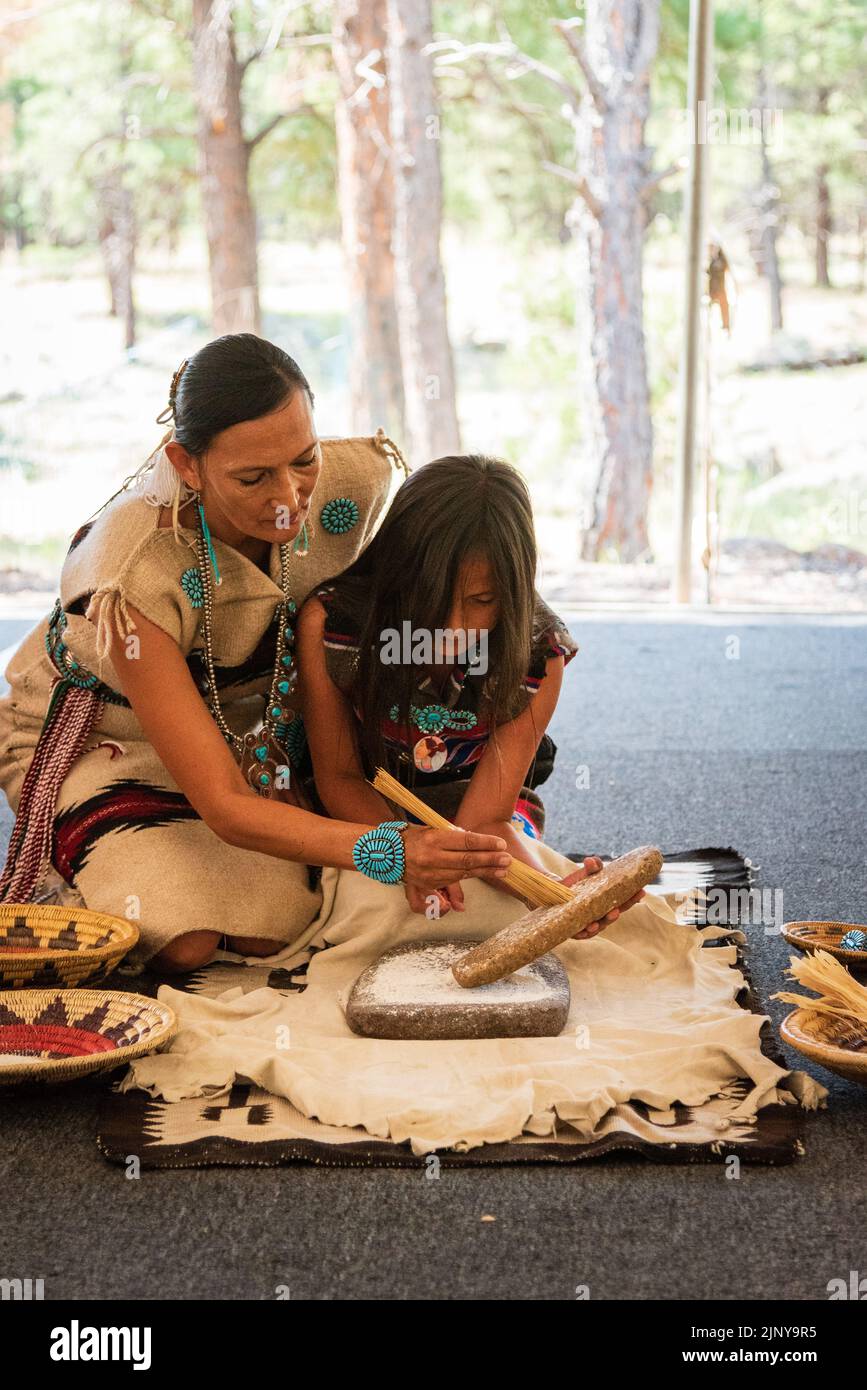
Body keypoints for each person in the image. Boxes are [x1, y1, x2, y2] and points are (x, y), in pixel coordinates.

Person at [0, 335, 514, 970]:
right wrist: (390, 847)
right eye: (252, 477)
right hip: (108, 738)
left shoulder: (357, 484)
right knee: (183, 940)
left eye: (303, 459)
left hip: (257, 738)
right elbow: (224, 805)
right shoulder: (130, 570)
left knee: (269, 932)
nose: (290, 498)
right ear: (186, 464)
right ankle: (65, 875)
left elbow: (447, 590)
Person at [296, 454, 645, 925]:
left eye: (483, 601)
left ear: (515, 591)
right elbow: (339, 777)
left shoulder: (539, 655)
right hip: (364, 806)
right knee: (369, 911)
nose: (453, 629)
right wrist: (403, 852)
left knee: (493, 910)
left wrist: (547, 894)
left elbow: (486, 819)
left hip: (474, 803)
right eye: (430, 599)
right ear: (396, 574)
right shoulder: (333, 626)